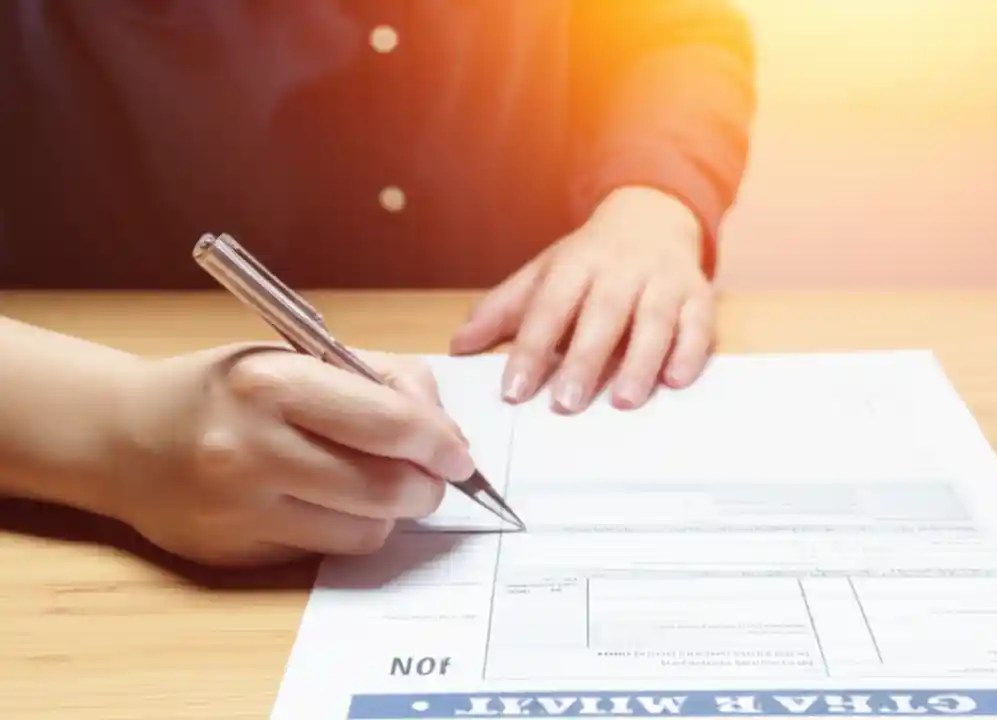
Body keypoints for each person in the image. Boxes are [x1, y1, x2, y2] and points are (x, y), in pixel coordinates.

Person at [0, 1, 755, 566]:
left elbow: (672, 32)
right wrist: (117, 430)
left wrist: (652, 202)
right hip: (95, 387)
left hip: (504, 346)